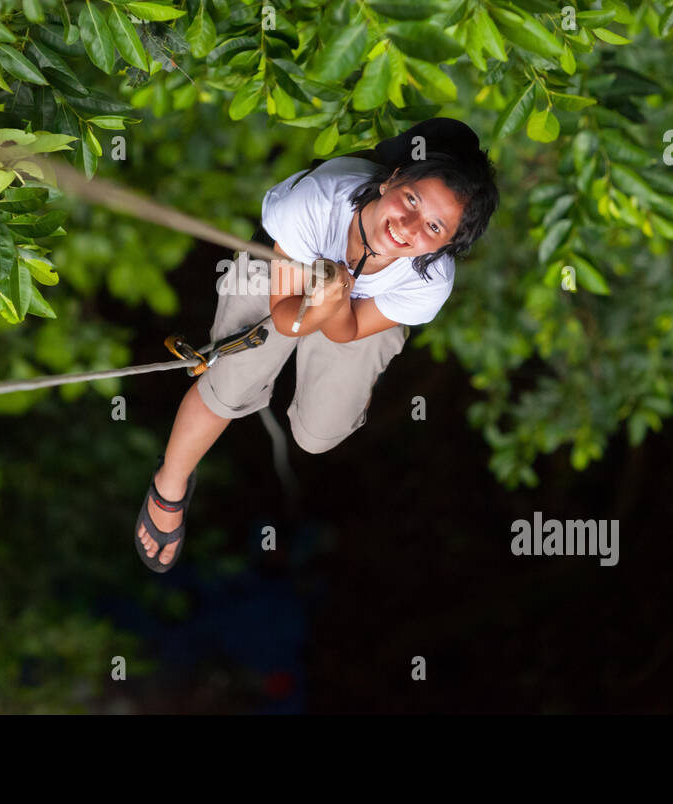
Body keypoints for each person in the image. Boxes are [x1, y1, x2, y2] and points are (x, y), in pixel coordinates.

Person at [135, 117, 501, 572]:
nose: (408, 225)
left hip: (361, 310)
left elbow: (344, 331)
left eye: (433, 227)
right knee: (228, 387)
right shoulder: (314, 201)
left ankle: (343, 373)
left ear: (445, 245)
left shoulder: (428, 282)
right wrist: (319, 304)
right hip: (283, 269)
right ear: (391, 180)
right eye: (410, 199)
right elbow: (288, 319)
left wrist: (335, 305)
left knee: (318, 435)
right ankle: (168, 486)